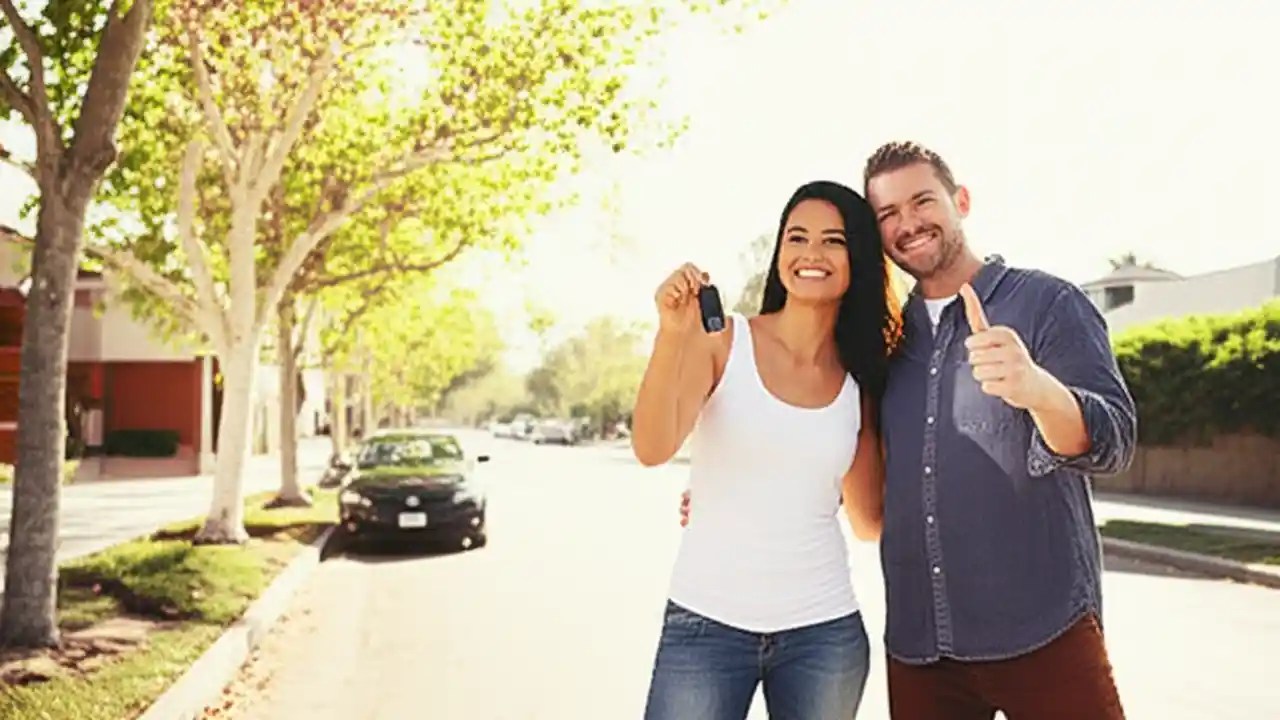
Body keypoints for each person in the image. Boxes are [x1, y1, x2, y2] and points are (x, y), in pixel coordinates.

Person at [685, 142, 1138, 719]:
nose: (908, 224)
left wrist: (1037, 391)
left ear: (961, 201)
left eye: (922, 201)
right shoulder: (884, 345)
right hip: (923, 649)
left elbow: (1116, 439)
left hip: (1042, 630)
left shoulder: (1047, 304)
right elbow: (851, 471)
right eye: (887, 215)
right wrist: (741, 488)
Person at [633, 180, 902, 720]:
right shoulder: (722, 341)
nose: (811, 254)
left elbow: (869, 521)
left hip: (823, 637)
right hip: (705, 628)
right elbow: (652, 446)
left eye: (833, 240)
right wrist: (671, 333)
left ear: (859, 260)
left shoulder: (860, 381)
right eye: (796, 237)